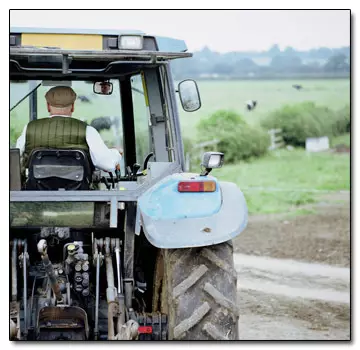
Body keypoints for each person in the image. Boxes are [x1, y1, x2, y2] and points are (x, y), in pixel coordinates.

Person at [16, 86, 122, 173]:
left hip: (35, 194)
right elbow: (107, 164)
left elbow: (14, 161)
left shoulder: (29, 129)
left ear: (48, 106)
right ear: (72, 107)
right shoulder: (87, 131)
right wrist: (115, 153)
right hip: (80, 195)